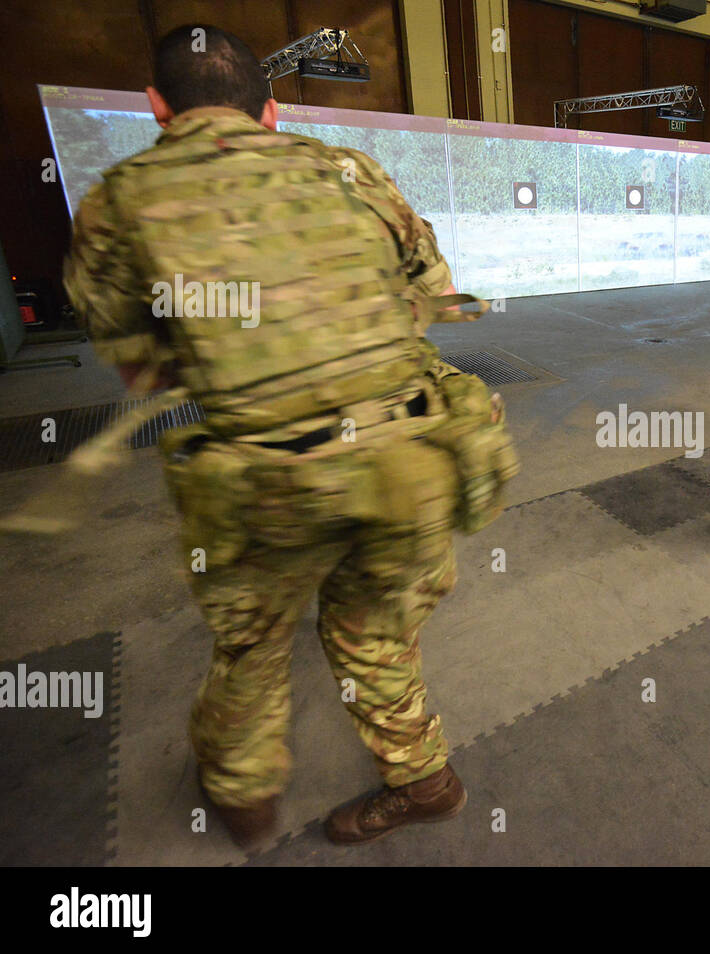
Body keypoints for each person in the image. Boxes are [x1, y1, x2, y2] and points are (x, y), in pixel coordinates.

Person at [63, 25, 518, 849]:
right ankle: (425, 781)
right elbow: (437, 299)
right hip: (409, 464)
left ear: (157, 107)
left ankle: (245, 804)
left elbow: (143, 370)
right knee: (373, 631)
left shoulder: (119, 199)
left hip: (268, 489)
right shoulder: (349, 169)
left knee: (252, 644)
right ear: (271, 110)